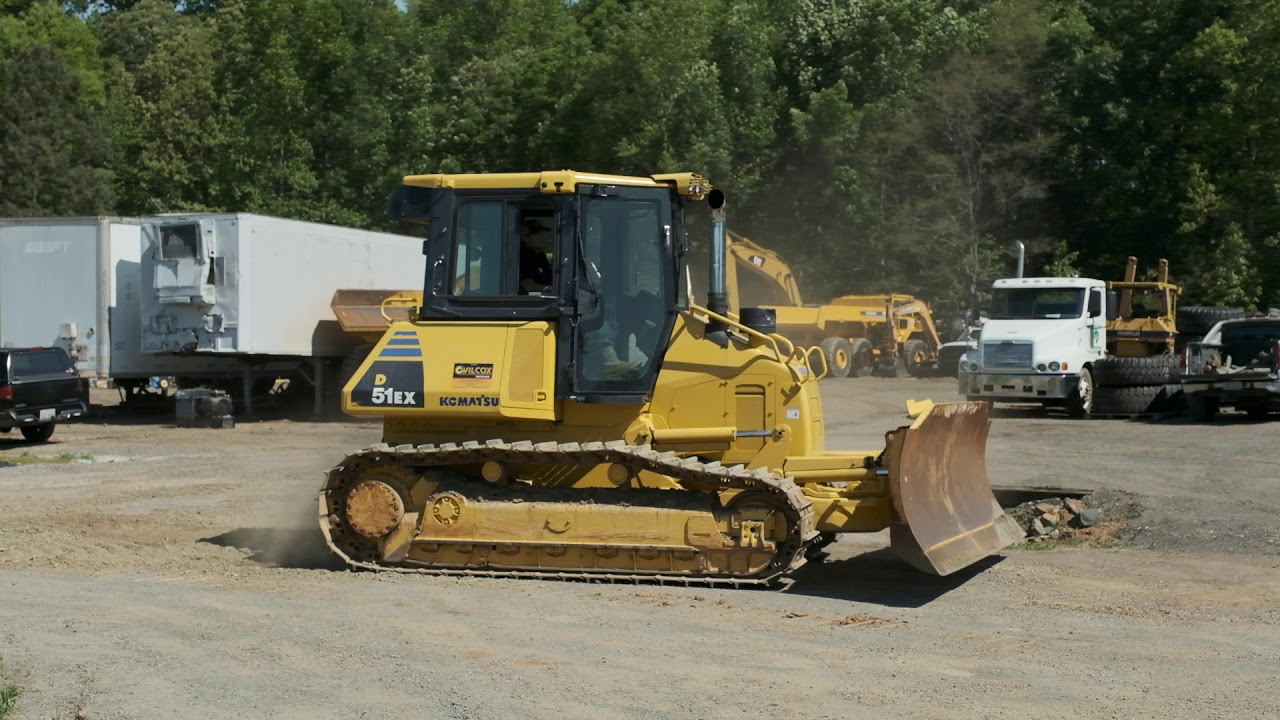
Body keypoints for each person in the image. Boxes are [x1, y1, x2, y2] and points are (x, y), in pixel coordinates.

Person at [518, 218, 554, 294]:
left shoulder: (541, 257)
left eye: (543, 233)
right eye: (537, 234)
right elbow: (528, 286)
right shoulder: (522, 257)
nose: (543, 237)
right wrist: (550, 289)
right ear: (525, 238)